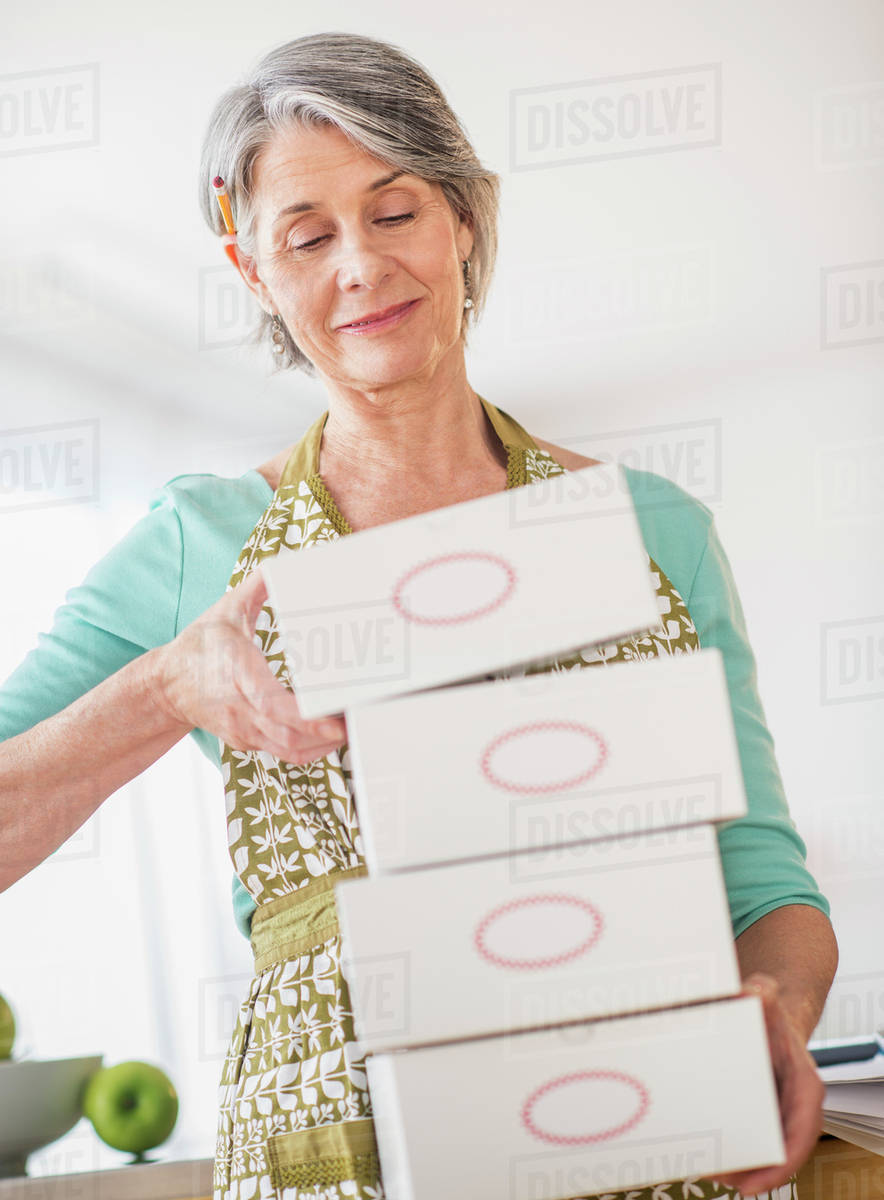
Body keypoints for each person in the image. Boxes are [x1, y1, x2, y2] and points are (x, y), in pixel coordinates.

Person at [0, 31, 837, 1200]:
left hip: (650, 1129)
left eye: (395, 213)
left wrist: (773, 1013)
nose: (359, 266)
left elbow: (763, 887)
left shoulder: (653, 531)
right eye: (306, 235)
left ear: (464, 222)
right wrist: (162, 691)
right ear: (253, 269)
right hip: (338, 1157)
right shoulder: (197, 547)